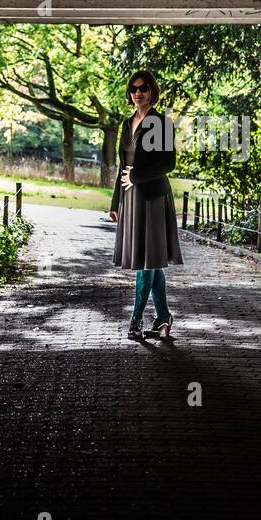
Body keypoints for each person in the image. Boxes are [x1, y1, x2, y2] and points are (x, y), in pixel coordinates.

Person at [109, 70, 183, 340]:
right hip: (130, 200)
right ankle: (163, 317)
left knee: (147, 263)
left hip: (152, 198)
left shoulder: (161, 123)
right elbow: (122, 166)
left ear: (152, 91)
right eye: (133, 89)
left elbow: (168, 164)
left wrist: (137, 177)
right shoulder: (126, 123)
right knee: (150, 261)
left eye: (143, 88)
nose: (137, 92)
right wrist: (116, 200)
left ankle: (136, 318)